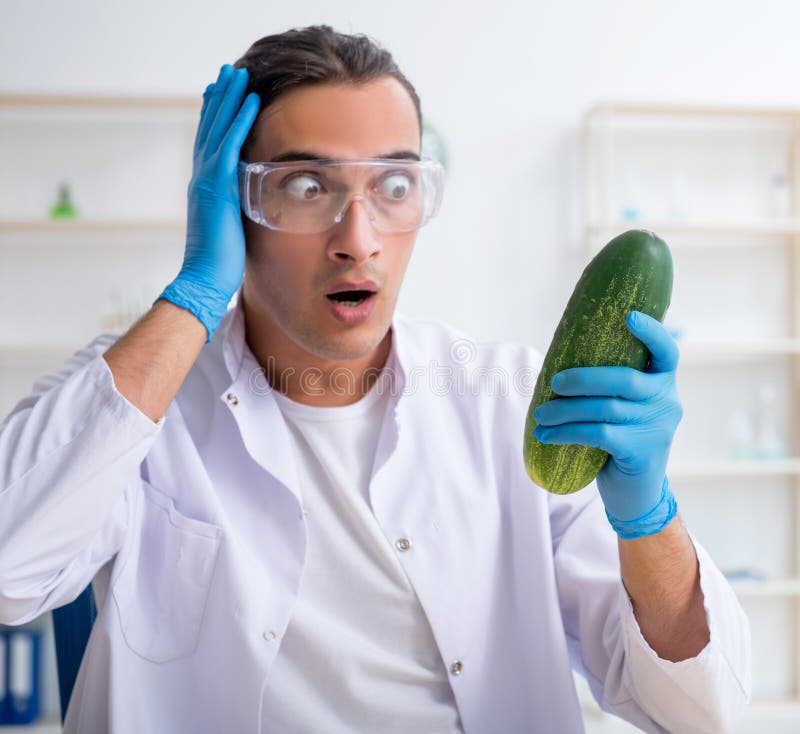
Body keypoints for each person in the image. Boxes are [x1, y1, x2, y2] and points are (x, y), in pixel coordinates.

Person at [0, 24, 749, 734]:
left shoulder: (513, 401)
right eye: (305, 187)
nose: (358, 242)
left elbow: (702, 713)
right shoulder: (141, 393)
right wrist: (196, 292)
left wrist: (648, 515)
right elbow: (12, 570)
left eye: (394, 185)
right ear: (234, 202)